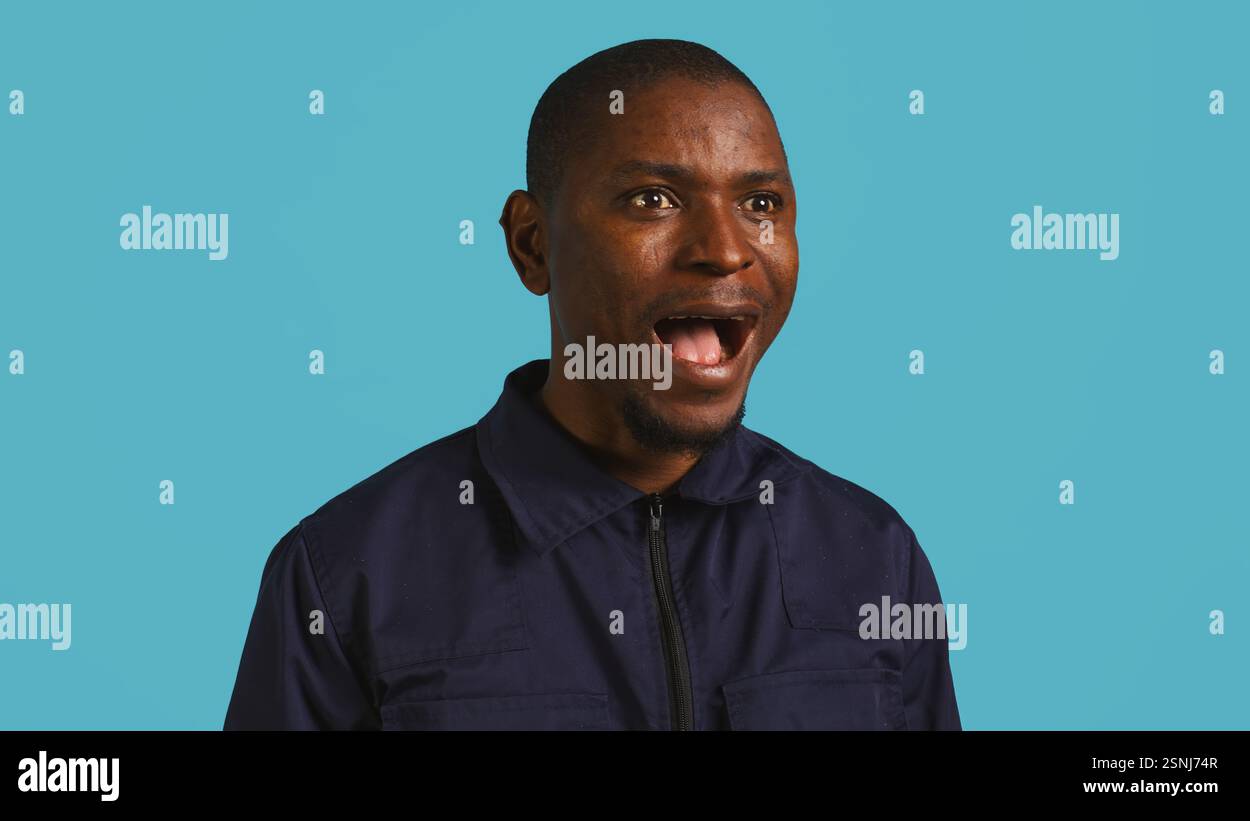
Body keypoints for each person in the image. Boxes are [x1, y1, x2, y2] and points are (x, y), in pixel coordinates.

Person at [224, 38, 961, 731]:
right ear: (532, 245)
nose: (726, 249)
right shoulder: (343, 573)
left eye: (761, 204)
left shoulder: (875, 557)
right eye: (653, 199)